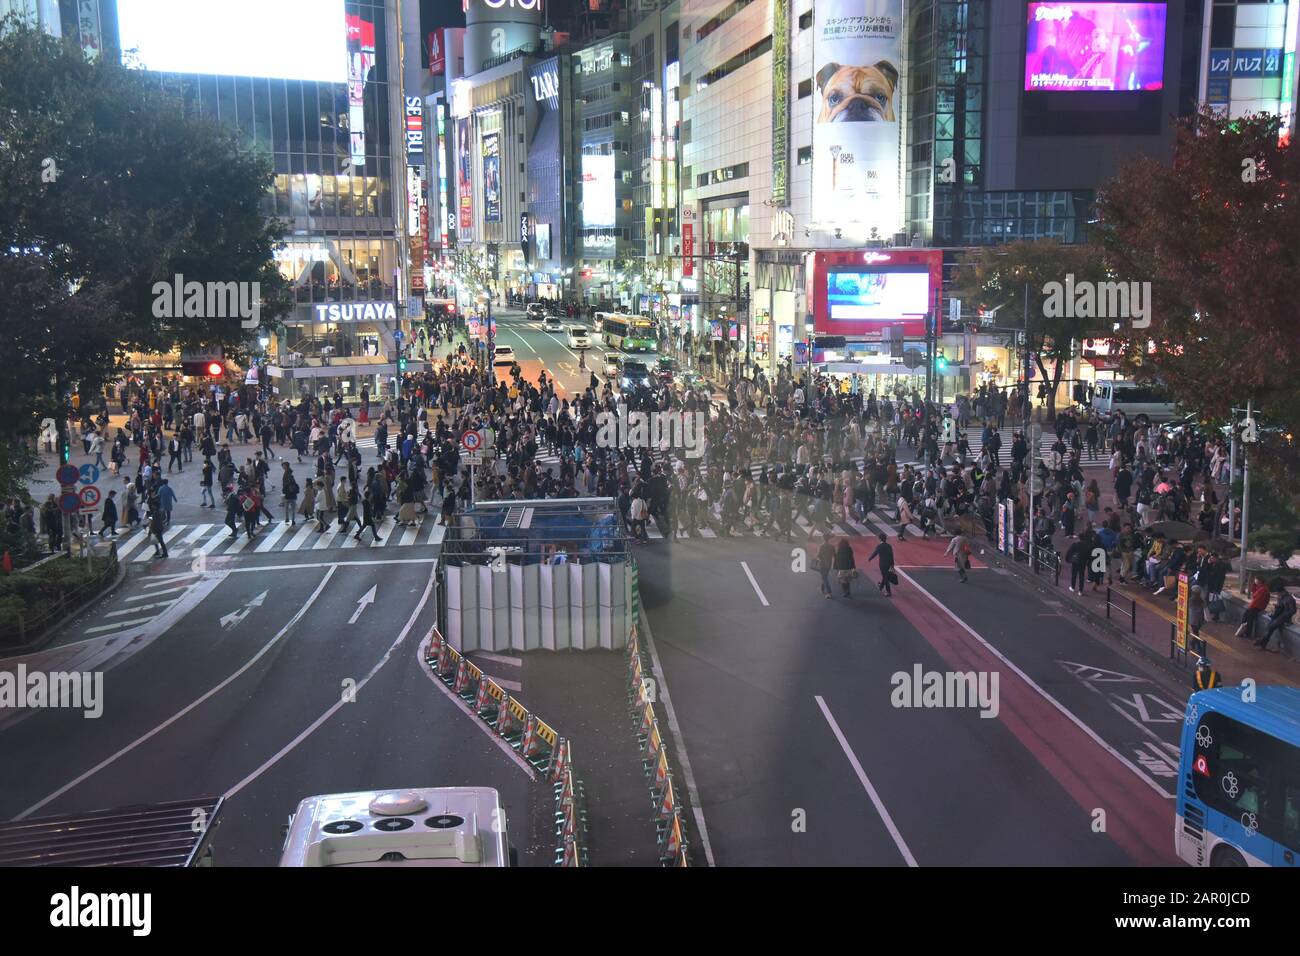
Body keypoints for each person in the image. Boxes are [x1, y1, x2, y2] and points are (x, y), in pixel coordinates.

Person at [1256, 582, 1296, 651]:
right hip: (1278, 616)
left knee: (1271, 626)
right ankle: (1263, 643)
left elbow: (1293, 611)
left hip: (1285, 618)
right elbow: (1280, 607)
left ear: (1283, 592)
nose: (1278, 595)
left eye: (1278, 593)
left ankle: (1262, 641)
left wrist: (1285, 614)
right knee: (1269, 626)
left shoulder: (1290, 599)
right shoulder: (1280, 597)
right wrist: (1276, 607)